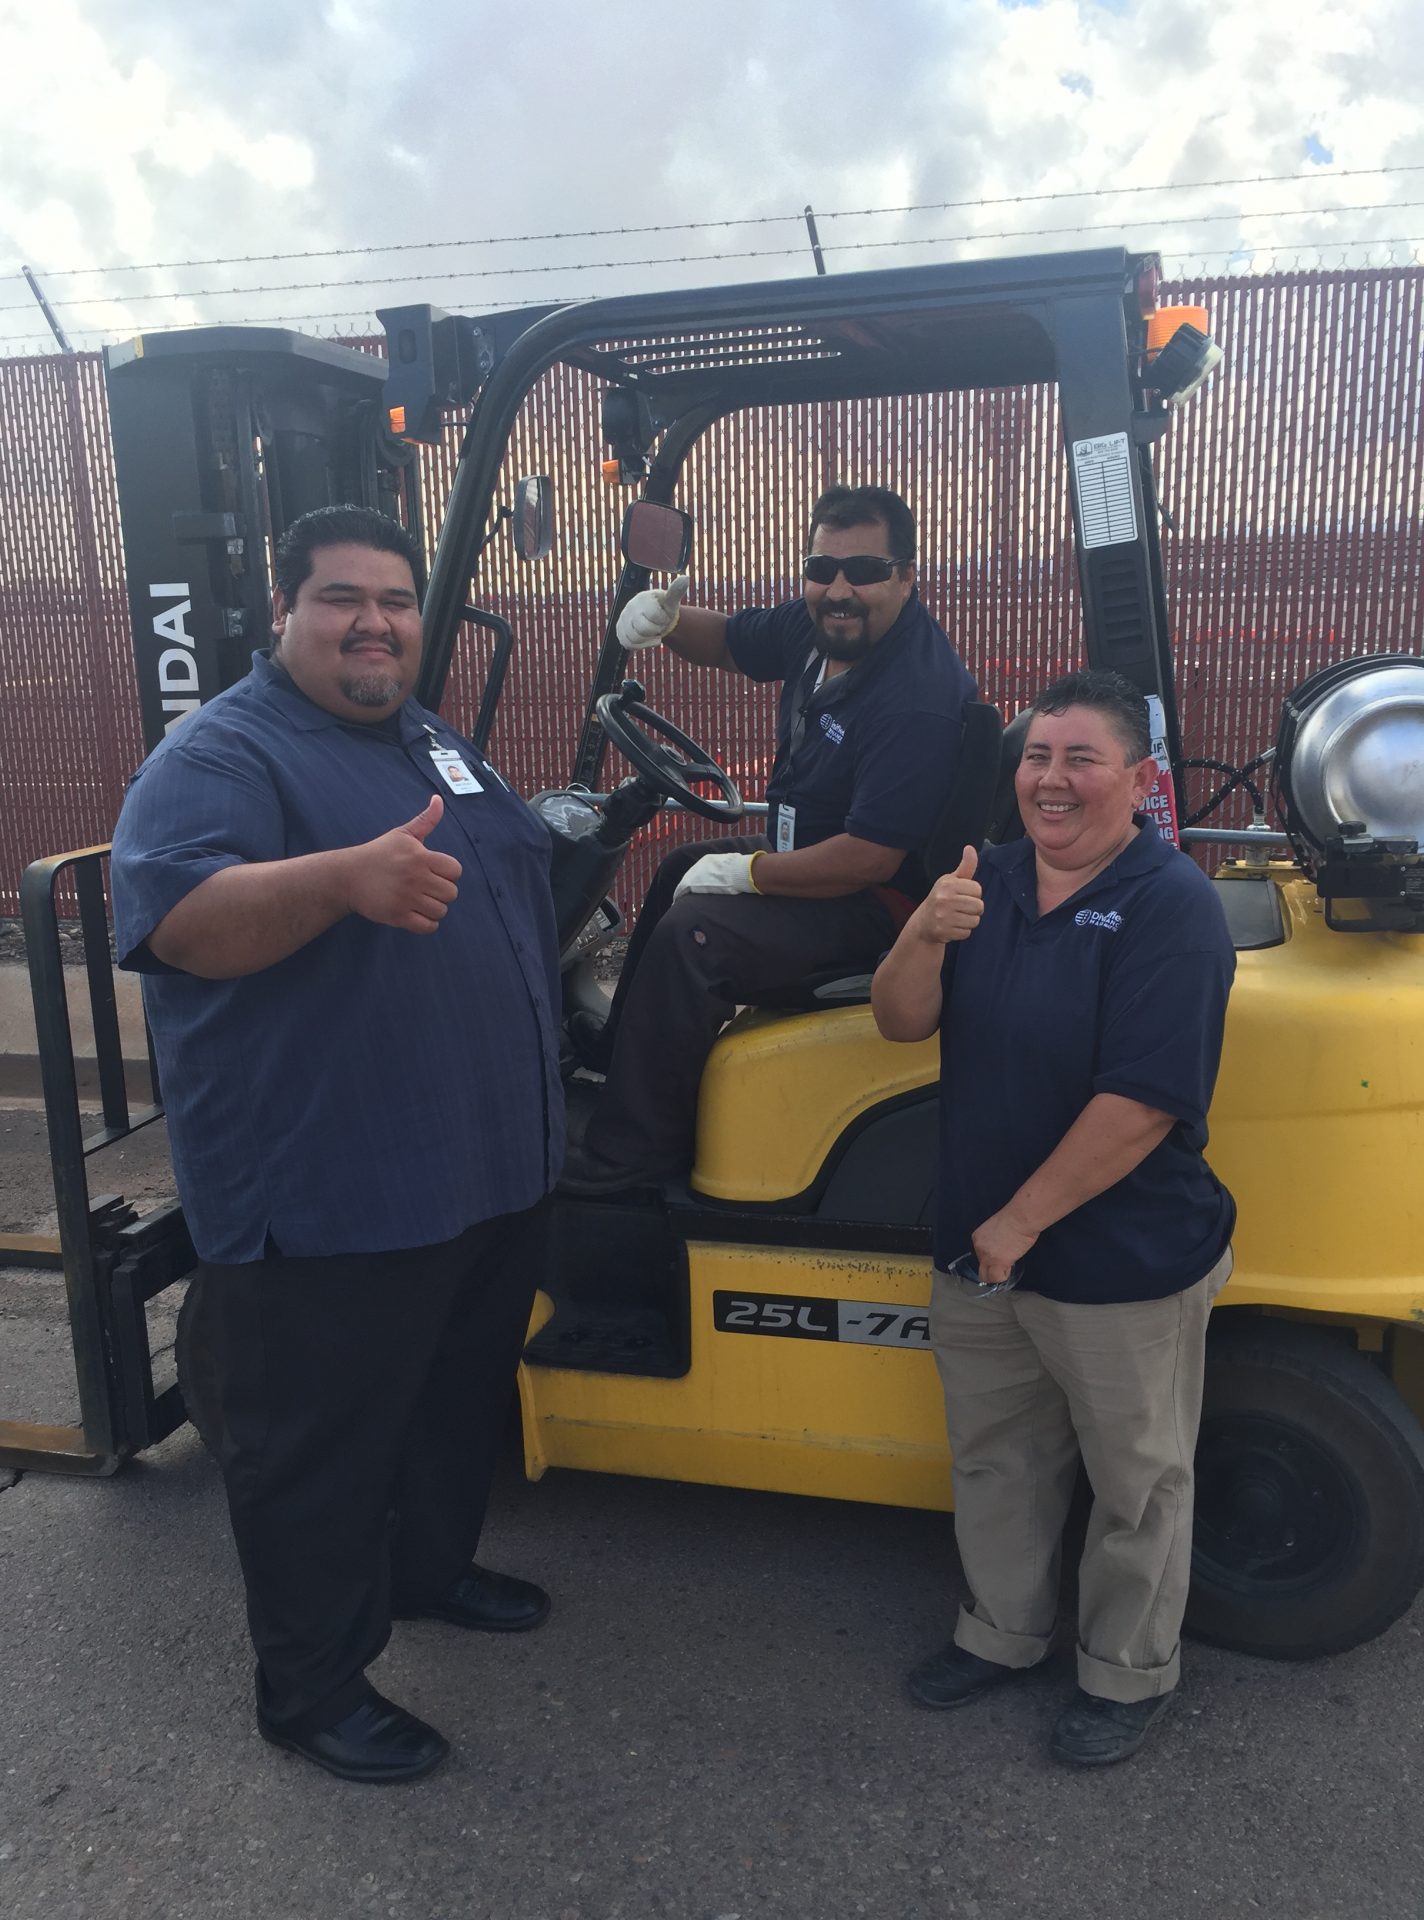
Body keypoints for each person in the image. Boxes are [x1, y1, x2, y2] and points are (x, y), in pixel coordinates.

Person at [110, 506, 564, 1786]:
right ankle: (311, 1690)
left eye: (396, 600)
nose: (375, 621)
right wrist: (341, 881)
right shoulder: (223, 755)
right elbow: (183, 918)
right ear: (283, 616)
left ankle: (428, 1571)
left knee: (445, 1402)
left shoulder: (422, 733)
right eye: (341, 599)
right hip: (336, 1192)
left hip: (478, 1172)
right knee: (316, 1448)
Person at [870, 668, 1236, 1769]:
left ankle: (1125, 1675)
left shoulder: (1171, 905)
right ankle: (1002, 1635)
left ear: (1138, 778)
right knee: (996, 1457)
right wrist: (926, 933)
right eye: (1037, 755)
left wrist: (1018, 1226)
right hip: (983, 1247)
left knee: (1137, 1479)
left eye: (1082, 758)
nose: (1053, 778)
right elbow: (899, 1021)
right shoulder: (988, 878)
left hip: (1117, 1258)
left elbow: (1143, 1104)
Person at [562, 484, 978, 1193]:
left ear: (906, 576)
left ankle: (627, 1159)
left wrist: (750, 876)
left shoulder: (915, 697)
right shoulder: (819, 632)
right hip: (813, 860)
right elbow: (728, 641)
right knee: (681, 867)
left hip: (879, 904)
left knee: (694, 936)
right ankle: (622, 1055)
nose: (839, 589)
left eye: (866, 571)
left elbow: (867, 858)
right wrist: (664, 620)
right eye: (822, 569)